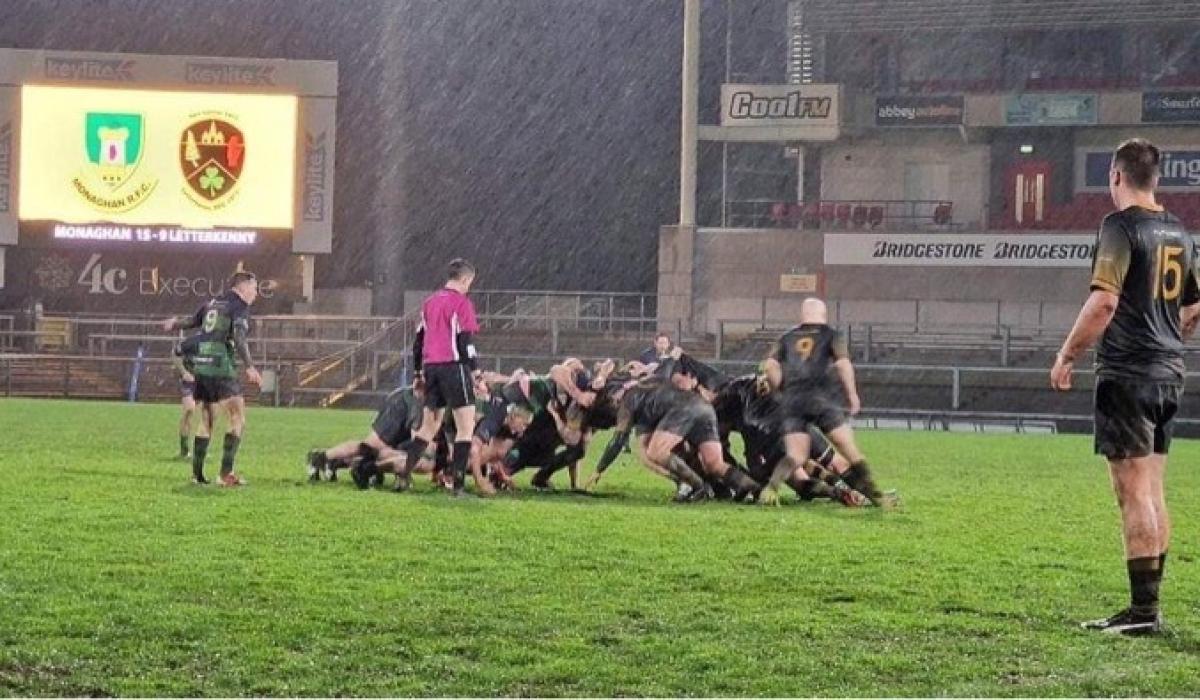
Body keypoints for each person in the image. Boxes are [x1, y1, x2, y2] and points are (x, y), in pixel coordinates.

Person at [1051, 138, 1200, 636]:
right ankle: (1147, 609)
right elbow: (1193, 308)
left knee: (1132, 494)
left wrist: (1067, 354)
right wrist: (1165, 339)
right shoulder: (1180, 232)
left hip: (1128, 375)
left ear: (1116, 176)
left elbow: (1103, 305)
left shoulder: (1119, 227)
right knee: (1153, 490)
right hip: (1168, 375)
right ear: (1155, 178)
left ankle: (1142, 615)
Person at [762, 297, 889, 507]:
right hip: (821, 399)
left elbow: (769, 367)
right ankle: (877, 496)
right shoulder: (831, 335)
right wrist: (852, 394)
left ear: (802, 315)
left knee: (796, 456)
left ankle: (772, 488)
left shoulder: (786, 337)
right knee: (848, 448)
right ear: (823, 314)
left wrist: (782, 388)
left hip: (793, 401)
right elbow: (843, 365)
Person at [161, 271, 262, 486]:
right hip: (222, 367)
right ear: (242, 287)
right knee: (237, 419)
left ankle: (197, 476)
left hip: (203, 367)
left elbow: (192, 322)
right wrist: (250, 367)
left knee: (206, 420)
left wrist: (174, 323)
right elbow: (239, 337)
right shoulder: (239, 307)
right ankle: (226, 475)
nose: (256, 293)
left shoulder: (211, 303)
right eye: (254, 288)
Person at [395, 259, 482, 496]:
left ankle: (403, 475)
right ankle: (458, 486)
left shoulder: (429, 302)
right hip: (454, 368)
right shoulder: (462, 303)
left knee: (428, 428)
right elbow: (465, 343)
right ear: (465, 279)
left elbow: (417, 343)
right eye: (469, 283)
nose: (469, 287)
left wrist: (417, 373)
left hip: (431, 368)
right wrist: (477, 373)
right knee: (466, 428)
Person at [305, 382, 424, 487]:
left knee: (388, 450)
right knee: (371, 448)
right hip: (405, 403)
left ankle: (340, 462)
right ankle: (321, 458)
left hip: (411, 402)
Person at [171, 337, 198, 460]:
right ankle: (184, 450)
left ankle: (200, 450)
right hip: (189, 381)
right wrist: (184, 372)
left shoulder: (217, 344)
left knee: (208, 415)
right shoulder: (192, 341)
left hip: (206, 381)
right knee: (189, 410)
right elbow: (174, 353)